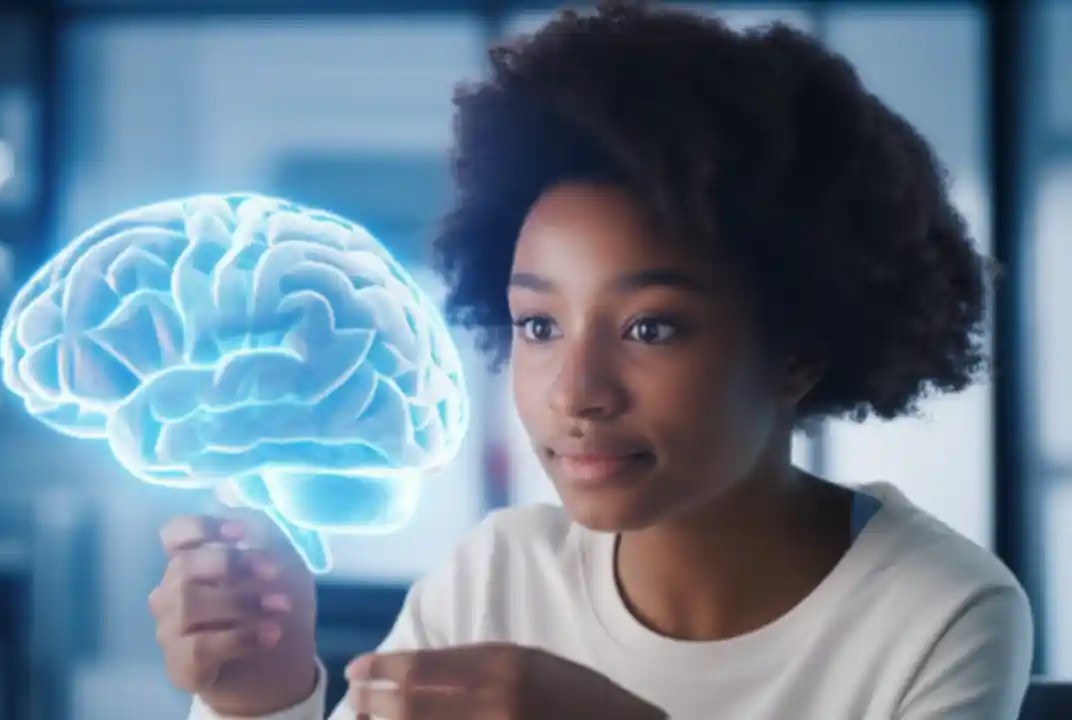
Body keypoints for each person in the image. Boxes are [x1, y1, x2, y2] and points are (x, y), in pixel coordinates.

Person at [150, 2, 1034, 718]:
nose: (577, 392)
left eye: (651, 328)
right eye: (539, 326)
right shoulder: (496, 575)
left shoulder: (937, 611)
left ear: (799, 346)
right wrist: (259, 701)